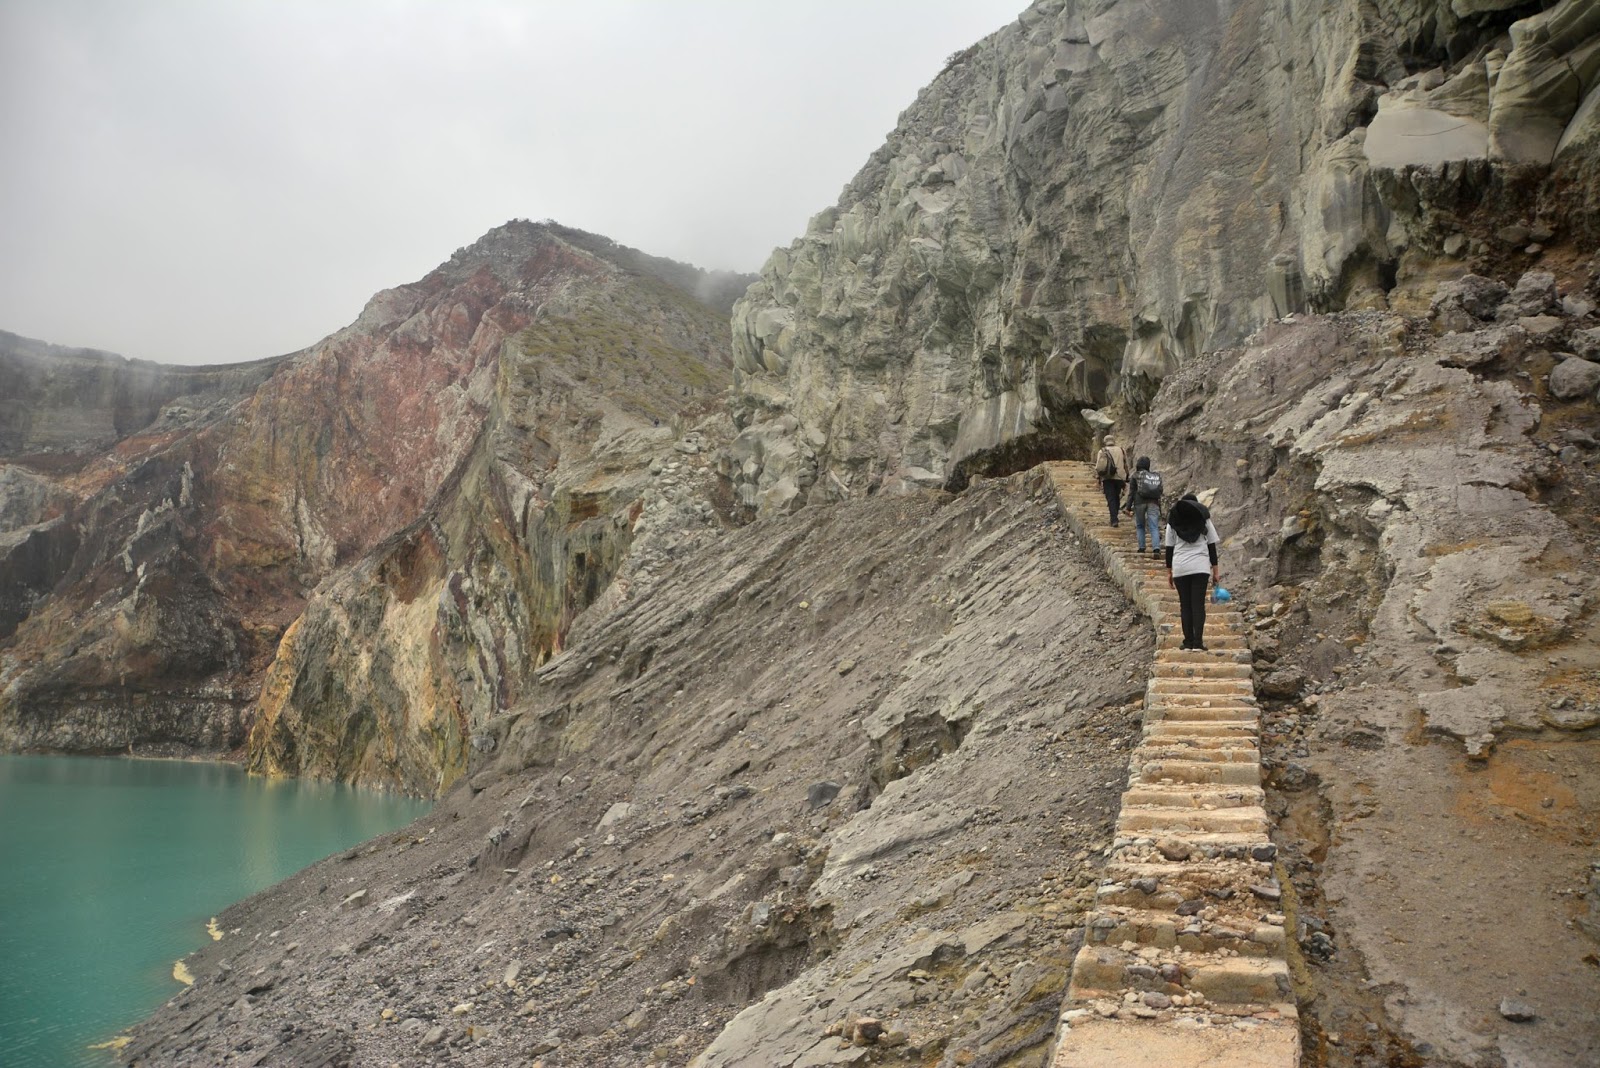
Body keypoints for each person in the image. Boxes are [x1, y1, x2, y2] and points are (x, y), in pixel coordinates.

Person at [1165, 492, 1220, 651]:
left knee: (1185, 605)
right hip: (1200, 567)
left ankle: (1187, 642)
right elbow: (1211, 547)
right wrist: (1216, 571)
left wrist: (1169, 572)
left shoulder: (1173, 522)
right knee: (1198, 604)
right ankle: (1198, 643)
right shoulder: (1204, 519)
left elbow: (1169, 549)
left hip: (1180, 567)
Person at [1127, 456, 1163, 554]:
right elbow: (1160, 491)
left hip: (1139, 503)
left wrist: (1128, 507)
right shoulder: (1155, 476)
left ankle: (1142, 547)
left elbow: (1131, 493)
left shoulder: (1135, 475)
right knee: (1154, 526)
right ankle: (1156, 548)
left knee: (1140, 525)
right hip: (1153, 503)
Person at [1094, 435, 1131, 526]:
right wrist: (1127, 477)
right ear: (1114, 441)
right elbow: (1125, 464)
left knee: (1110, 498)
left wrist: (1098, 479)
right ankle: (1115, 516)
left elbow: (1099, 467)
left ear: (1105, 441)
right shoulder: (1121, 450)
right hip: (1119, 477)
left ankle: (1114, 519)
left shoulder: (1102, 451)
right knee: (1116, 496)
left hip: (1107, 478)